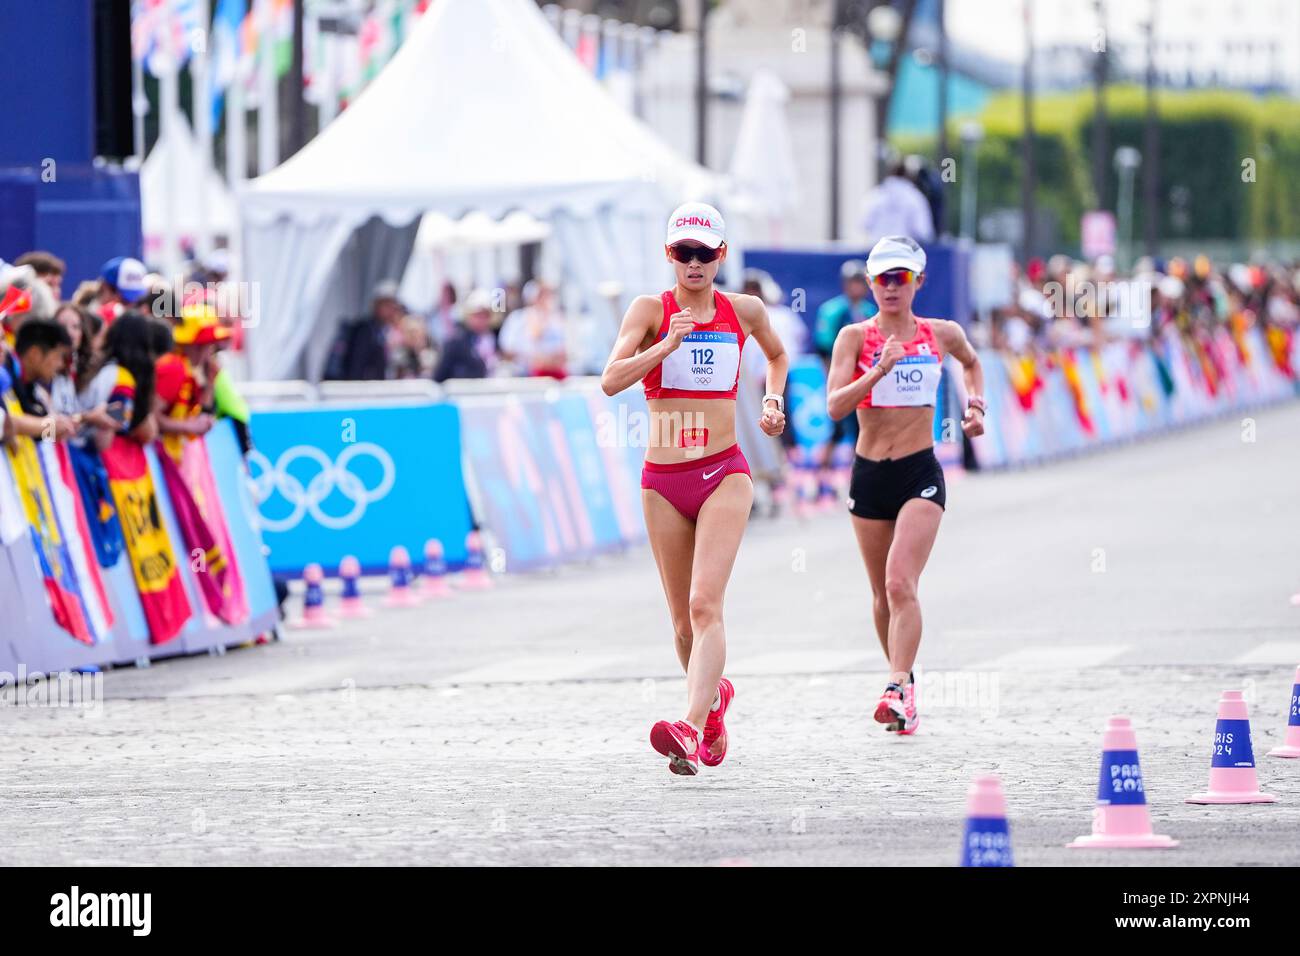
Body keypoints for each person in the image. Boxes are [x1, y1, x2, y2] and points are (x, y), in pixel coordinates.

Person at [600, 202, 788, 775]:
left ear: (721, 256)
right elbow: (610, 380)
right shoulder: (649, 311)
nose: (694, 263)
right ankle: (712, 707)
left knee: (706, 603)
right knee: (682, 622)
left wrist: (774, 398)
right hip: (663, 481)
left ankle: (687, 724)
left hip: (723, 472)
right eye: (684, 252)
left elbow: (778, 356)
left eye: (705, 253)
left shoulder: (744, 310)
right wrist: (663, 348)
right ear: (669, 255)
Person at [825, 236, 985, 735]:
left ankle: (895, 686)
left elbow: (972, 362)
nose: (891, 288)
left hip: (920, 471)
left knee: (900, 582)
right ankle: (905, 686)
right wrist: (877, 371)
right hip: (870, 473)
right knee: (880, 595)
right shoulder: (854, 337)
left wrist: (975, 405)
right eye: (882, 279)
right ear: (870, 284)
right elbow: (834, 406)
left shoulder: (941, 333)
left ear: (918, 281)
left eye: (901, 278)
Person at [324, 279, 406, 381]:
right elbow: (356, 367)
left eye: (394, 306)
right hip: (362, 391)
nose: (392, 310)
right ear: (375, 305)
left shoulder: (385, 331)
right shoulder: (365, 332)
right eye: (387, 305)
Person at [498, 280, 567, 378]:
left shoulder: (555, 320)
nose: (546, 298)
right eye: (541, 295)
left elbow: (563, 350)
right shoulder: (517, 319)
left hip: (554, 375)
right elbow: (507, 348)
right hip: (525, 374)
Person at [433, 289, 499, 382]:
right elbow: (440, 375)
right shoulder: (455, 341)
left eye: (486, 316)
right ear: (468, 316)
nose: (482, 320)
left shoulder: (491, 339)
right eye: (478, 315)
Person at [861, 160, 936, 243]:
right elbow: (922, 231)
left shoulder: (875, 195)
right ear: (908, 175)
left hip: (878, 250)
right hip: (904, 252)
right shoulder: (915, 198)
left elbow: (865, 224)